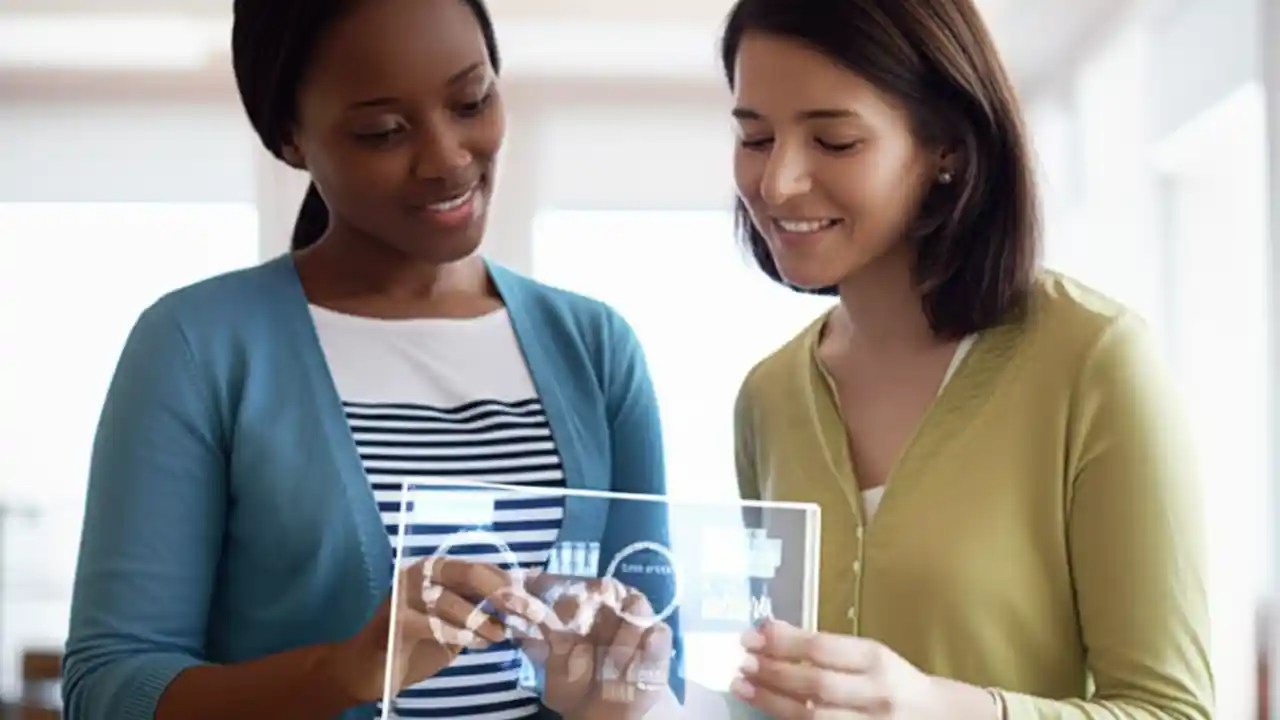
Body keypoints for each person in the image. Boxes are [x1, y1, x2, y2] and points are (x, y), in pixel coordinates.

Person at [60, 1, 680, 718]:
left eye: (471, 101)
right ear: (290, 137)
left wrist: (613, 691)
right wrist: (340, 674)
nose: (448, 158)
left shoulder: (595, 350)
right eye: (383, 132)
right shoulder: (197, 348)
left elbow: (658, 662)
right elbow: (108, 688)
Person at [720, 0, 1214, 718]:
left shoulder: (1095, 365)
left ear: (946, 146)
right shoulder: (767, 398)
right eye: (756, 138)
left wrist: (937, 706)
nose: (777, 182)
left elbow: (1171, 710)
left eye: (834, 141)